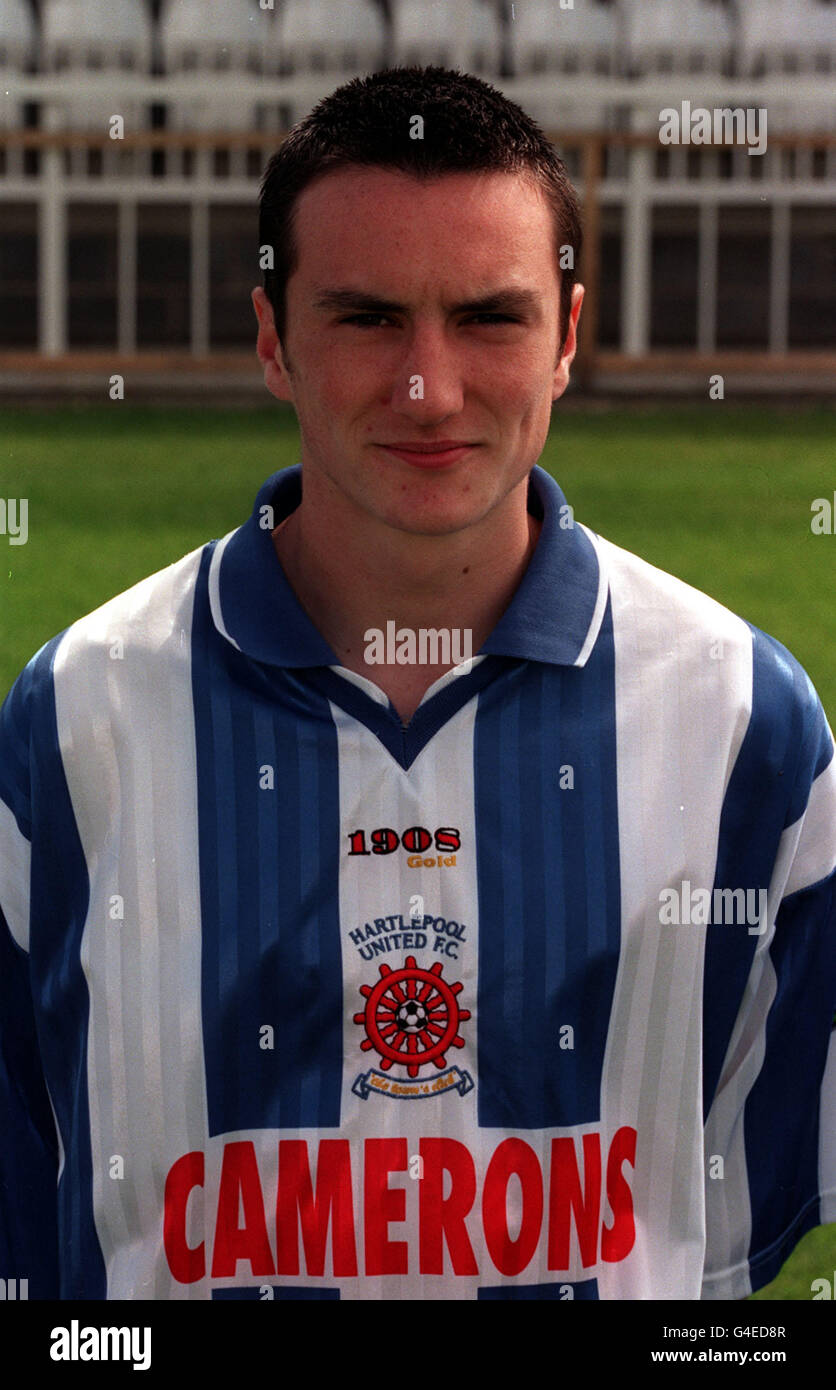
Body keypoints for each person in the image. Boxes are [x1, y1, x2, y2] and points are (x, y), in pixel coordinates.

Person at [0, 66, 834, 1302]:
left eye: (489, 319)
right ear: (273, 339)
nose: (426, 389)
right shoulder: (74, 721)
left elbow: (732, 1216)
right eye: (368, 317)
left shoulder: (742, 727)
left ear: (566, 337)